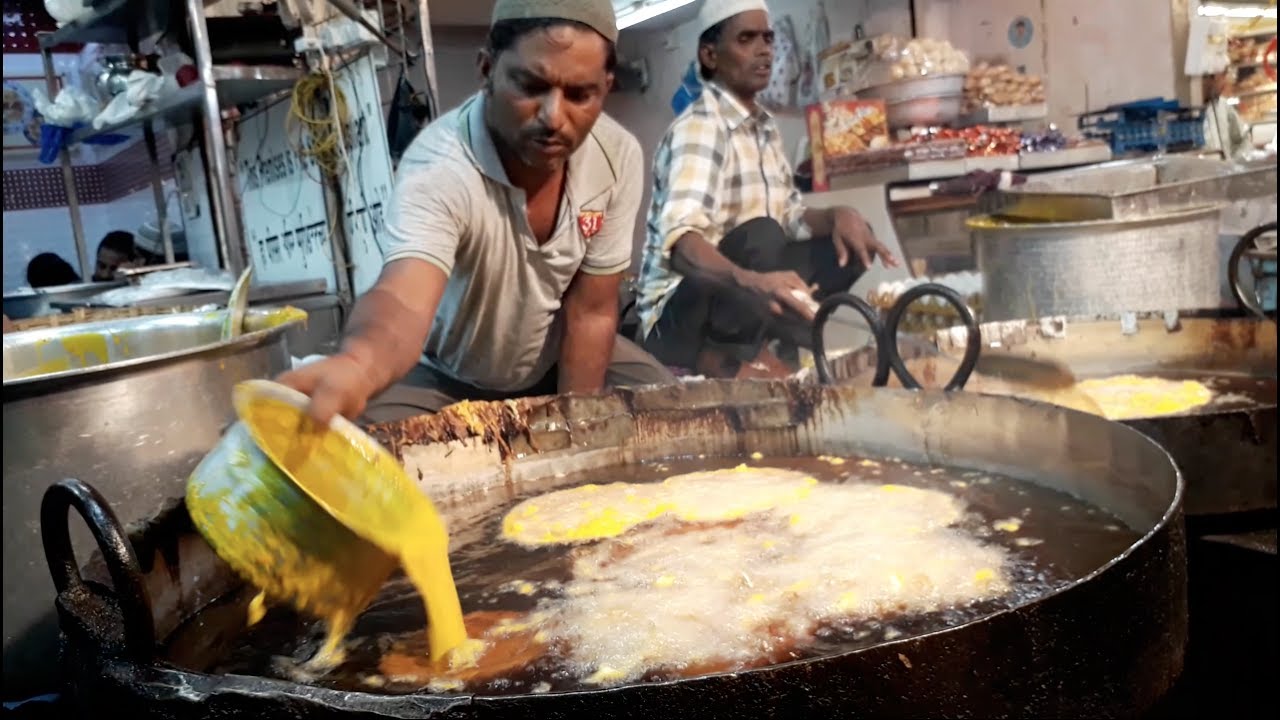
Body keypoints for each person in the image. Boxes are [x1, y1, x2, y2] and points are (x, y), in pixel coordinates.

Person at [280, 0, 674, 425]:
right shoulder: (441, 167)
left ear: (606, 87)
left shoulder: (616, 156)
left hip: (553, 359)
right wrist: (359, 362)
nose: (553, 117)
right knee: (358, 443)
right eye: (531, 86)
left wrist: (574, 427)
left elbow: (592, 312)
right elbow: (404, 299)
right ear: (486, 69)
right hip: (444, 377)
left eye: (580, 95)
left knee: (668, 408)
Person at [636, 0, 897, 380]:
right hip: (676, 323)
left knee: (852, 240)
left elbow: (790, 215)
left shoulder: (765, 127)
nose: (764, 50)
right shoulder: (700, 129)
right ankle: (722, 356)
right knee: (762, 235)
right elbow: (681, 249)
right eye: (747, 39)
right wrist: (756, 283)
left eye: (768, 39)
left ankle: (771, 335)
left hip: (734, 301)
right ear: (710, 55)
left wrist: (840, 216)